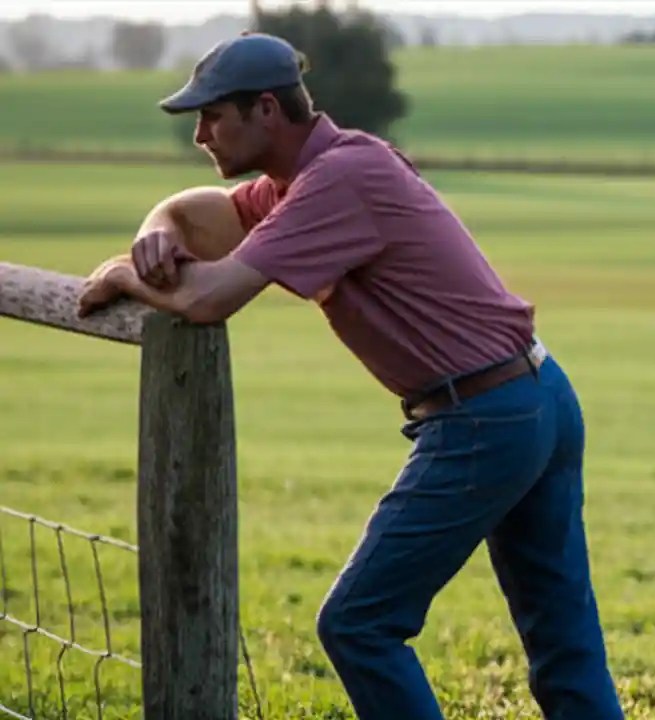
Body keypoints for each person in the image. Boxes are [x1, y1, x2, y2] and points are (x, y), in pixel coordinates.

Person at [77, 32, 625, 720]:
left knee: (359, 623)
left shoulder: (338, 180)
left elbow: (209, 299)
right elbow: (189, 216)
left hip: (484, 417)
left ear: (266, 111)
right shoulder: (302, 181)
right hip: (533, 393)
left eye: (213, 116)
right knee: (562, 644)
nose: (200, 135)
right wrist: (154, 231)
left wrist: (124, 274)